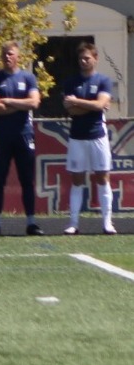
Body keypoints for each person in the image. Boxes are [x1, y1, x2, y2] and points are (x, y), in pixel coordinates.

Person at [0, 42, 43, 236]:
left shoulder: (28, 78)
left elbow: (34, 102)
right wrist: (21, 105)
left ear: (18, 56)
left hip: (24, 134)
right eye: (4, 54)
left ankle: (31, 223)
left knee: (27, 180)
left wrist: (9, 101)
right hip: (2, 135)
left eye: (10, 54)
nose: (6, 57)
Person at [60, 42, 116, 236]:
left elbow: (100, 104)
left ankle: (107, 223)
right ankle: (73, 223)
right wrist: (92, 105)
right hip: (77, 137)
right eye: (81, 59)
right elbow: (71, 109)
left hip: (97, 136)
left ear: (95, 58)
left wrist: (81, 102)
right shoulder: (70, 82)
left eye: (87, 58)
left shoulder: (103, 81)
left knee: (102, 177)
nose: (84, 61)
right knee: (77, 180)